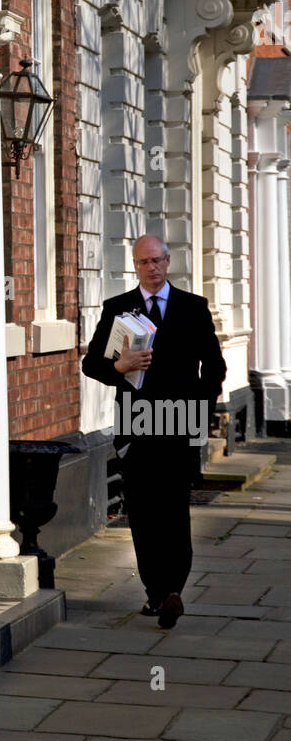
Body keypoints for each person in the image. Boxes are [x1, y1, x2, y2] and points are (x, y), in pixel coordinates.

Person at [81, 235, 226, 629]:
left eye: (158, 260)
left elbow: (214, 368)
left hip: (179, 421)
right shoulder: (118, 308)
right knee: (143, 511)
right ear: (135, 265)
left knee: (174, 508)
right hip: (136, 424)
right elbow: (91, 363)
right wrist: (119, 367)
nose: (153, 268)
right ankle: (155, 592)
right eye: (144, 262)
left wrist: (199, 409)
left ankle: (173, 590)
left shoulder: (193, 308)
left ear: (169, 260)